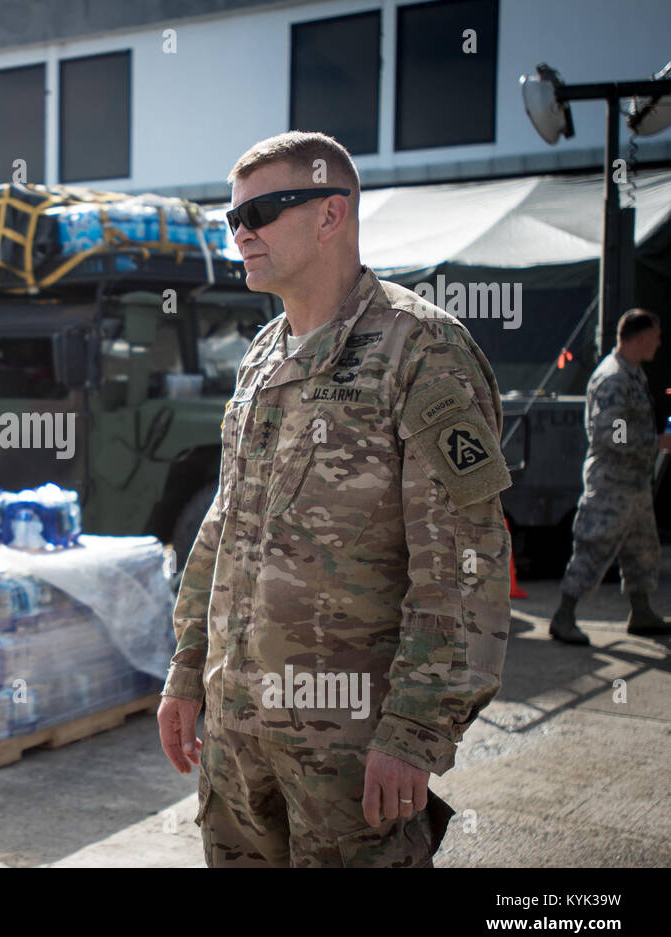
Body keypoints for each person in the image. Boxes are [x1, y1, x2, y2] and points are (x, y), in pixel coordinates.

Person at [157, 131, 512, 867]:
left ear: (330, 215)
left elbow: (463, 563)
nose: (242, 233)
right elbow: (223, 531)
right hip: (238, 739)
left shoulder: (421, 350)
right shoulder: (260, 357)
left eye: (263, 212)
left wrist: (415, 733)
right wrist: (187, 670)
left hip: (348, 752)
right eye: (233, 219)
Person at [550, 309, 671, 644]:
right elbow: (611, 435)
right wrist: (656, 442)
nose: (659, 344)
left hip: (634, 485)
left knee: (643, 550)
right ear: (642, 337)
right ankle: (564, 616)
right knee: (593, 547)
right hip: (611, 485)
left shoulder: (633, 372)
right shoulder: (614, 377)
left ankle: (642, 611)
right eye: (656, 337)